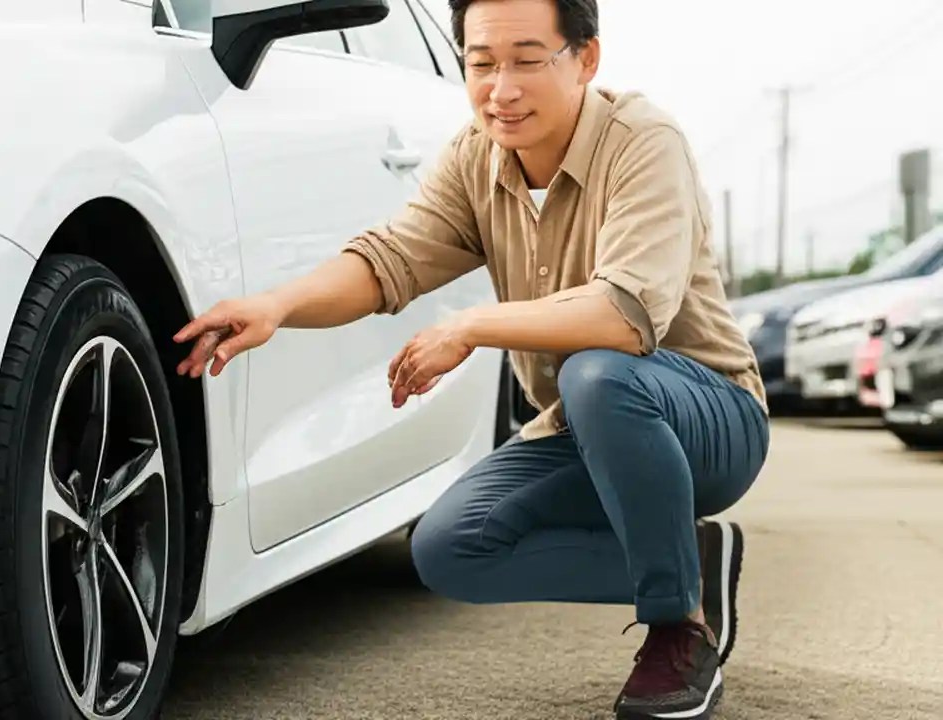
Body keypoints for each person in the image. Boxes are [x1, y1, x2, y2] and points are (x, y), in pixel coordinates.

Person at [173, 0, 770, 717]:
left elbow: (624, 317)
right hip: (584, 423)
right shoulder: (474, 157)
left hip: (710, 417)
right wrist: (277, 305)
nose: (501, 89)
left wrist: (471, 326)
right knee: (452, 549)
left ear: (585, 58)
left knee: (595, 372)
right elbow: (391, 260)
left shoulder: (644, 141)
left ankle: (679, 629)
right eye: (481, 64)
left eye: (527, 60)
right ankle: (688, 562)